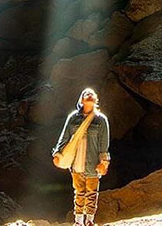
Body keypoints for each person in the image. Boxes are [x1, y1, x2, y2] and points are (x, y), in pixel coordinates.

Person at [52, 88, 111, 226]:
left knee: (91, 192)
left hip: (93, 162)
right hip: (77, 160)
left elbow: (104, 143)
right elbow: (64, 137)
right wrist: (58, 154)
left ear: (96, 100)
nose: (89, 96)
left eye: (92, 94)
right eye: (86, 94)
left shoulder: (101, 120)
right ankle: (78, 221)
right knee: (79, 191)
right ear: (81, 100)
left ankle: (89, 220)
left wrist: (104, 162)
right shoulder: (73, 118)